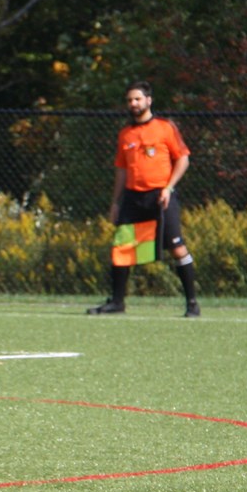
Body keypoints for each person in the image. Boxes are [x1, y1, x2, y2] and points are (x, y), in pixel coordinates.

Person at [86, 81, 199, 317]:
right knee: (121, 248)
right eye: (129, 100)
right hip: (133, 198)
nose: (133, 104)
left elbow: (183, 159)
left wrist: (168, 188)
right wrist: (116, 202)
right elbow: (121, 170)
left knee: (177, 248)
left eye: (137, 99)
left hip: (160, 197)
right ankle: (117, 303)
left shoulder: (165, 127)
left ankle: (192, 303)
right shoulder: (125, 134)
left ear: (149, 100)